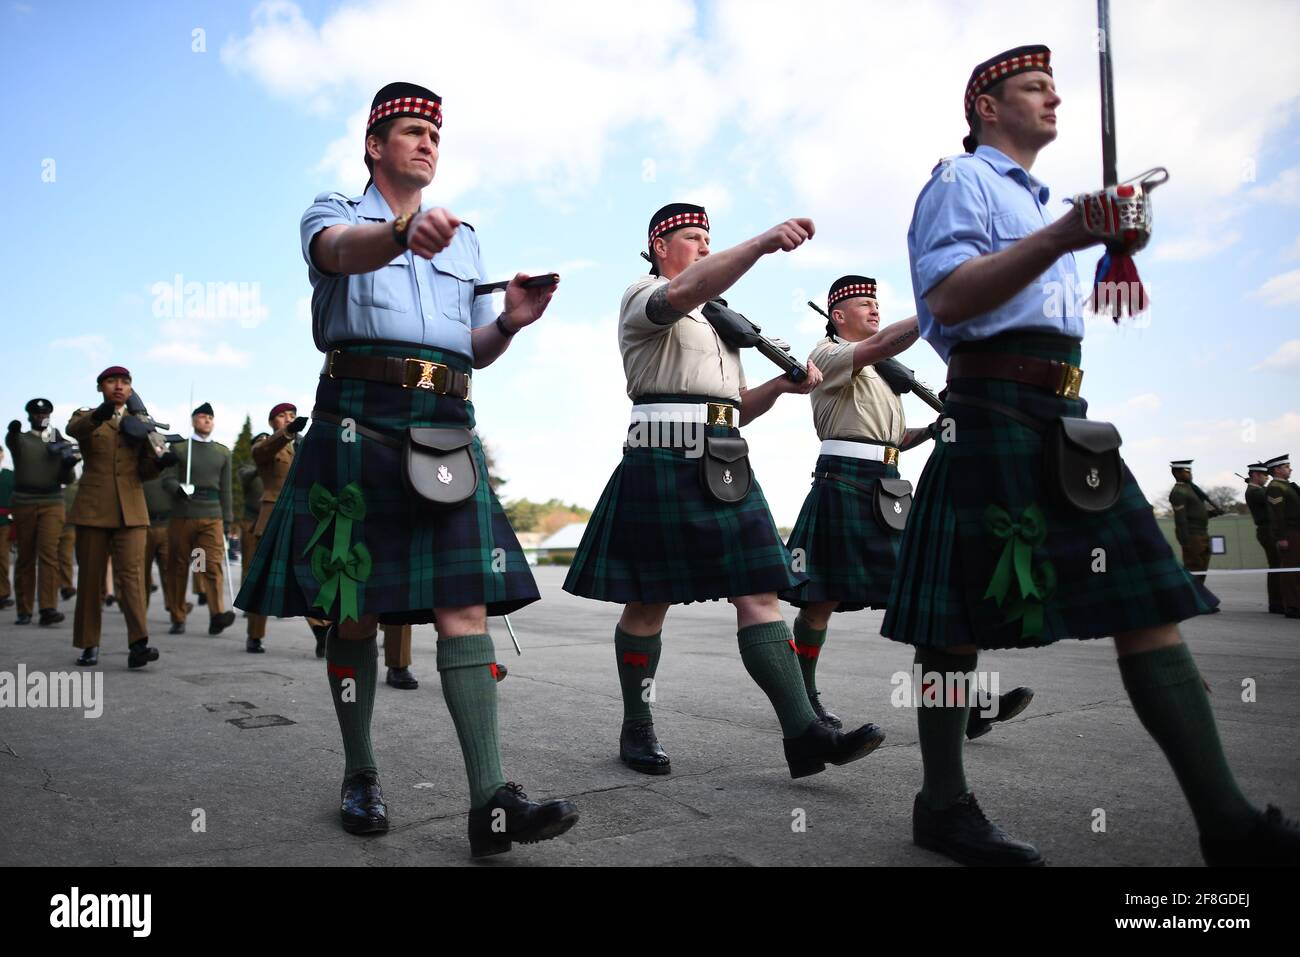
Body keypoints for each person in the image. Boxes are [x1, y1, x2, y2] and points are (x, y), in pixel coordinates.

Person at [883, 44, 1299, 866]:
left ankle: (1230, 825)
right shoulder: (958, 182)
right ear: (985, 107)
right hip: (990, 409)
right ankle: (942, 802)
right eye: (1035, 88)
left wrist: (1094, 238)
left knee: (1148, 606)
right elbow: (947, 301)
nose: (1056, 100)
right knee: (954, 630)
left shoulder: (1039, 205)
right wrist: (1071, 232)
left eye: (1055, 88)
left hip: (1064, 419)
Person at [236, 81, 578, 857]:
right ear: (374, 145)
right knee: (353, 606)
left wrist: (512, 325)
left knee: (465, 602)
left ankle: (492, 800)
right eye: (412, 131)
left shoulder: (466, 238)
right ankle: (360, 771)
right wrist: (400, 233)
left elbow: (467, 352)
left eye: (434, 134)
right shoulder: (333, 210)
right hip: (358, 421)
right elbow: (338, 253)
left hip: (446, 423)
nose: (426, 143)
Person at [564, 202, 886, 781]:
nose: (706, 247)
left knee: (759, 593)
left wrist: (781, 388)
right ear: (661, 247)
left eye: (710, 238)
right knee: (648, 601)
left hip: (725, 457)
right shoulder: (645, 295)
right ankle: (638, 724)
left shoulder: (719, 322)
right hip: (660, 456)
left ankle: (803, 734)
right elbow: (684, 293)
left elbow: (736, 406)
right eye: (693, 237)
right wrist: (762, 244)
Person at [782, 275, 1034, 739]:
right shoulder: (827, 354)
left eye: (878, 303)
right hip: (843, 484)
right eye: (864, 303)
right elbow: (877, 345)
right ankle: (804, 697)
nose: (875, 309)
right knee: (821, 600)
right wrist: (935, 307)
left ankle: (965, 704)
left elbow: (893, 441)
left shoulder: (880, 372)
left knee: (923, 594)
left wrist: (934, 429)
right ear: (838, 316)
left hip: (889, 486)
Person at [66, 367, 163, 668]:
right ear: (101, 387)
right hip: (94, 509)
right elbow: (75, 430)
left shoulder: (140, 423)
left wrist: (161, 463)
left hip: (131, 510)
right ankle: (88, 644)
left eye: (125, 382)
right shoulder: (87, 415)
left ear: (131, 388)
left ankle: (139, 643)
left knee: (133, 579)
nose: (119, 387)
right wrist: (102, 414)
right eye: (112, 382)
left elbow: (144, 470)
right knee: (91, 579)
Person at [244, 402, 329, 654]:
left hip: (298, 518)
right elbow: (260, 453)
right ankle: (255, 635)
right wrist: (287, 432)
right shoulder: (268, 443)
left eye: (291, 415)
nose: (288, 418)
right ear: (272, 422)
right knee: (260, 578)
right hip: (271, 517)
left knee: (304, 575)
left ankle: (321, 629)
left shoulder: (302, 446)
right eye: (282, 416)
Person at [162, 403, 235, 636]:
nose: (207, 421)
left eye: (210, 418)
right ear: (194, 420)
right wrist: (178, 489)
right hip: (184, 513)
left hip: (212, 514)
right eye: (202, 417)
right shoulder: (181, 448)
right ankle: (178, 614)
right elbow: (167, 478)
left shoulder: (223, 452)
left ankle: (217, 614)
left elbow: (226, 488)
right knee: (179, 566)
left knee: (211, 564)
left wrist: (228, 517)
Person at [6, 399, 69, 626]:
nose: (41, 415)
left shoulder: (54, 438)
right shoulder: (21, 439)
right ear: (29, 415)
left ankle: (48, 607)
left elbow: (67, 478)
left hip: (52, 500)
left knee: (49, 554)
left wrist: (67, 462)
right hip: (24, 501)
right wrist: (13, 431)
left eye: (45, 412)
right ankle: (24, 609)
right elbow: (12, 442)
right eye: (37, 412)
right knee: (25, 555)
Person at [1169, 459, 1222, 610]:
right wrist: (1184, 540)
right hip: (1192, 535)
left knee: (1201, 569)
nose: (1190, 474)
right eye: (1186, 471)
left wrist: (1212, 513)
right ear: (1177, 473)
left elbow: (1197, 514)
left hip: (1202, 533)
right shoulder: (1178, 492)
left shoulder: (1191, 489)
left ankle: (1199, 600)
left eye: (1190, 471)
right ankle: (1192, 602)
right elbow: (1181, 519)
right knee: (1194, 569)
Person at [1265, 454, 1300, 621]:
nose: (1290, 469)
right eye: (1286, 467)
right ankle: (1292, 606)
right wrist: (1281, 537)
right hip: (1290, 533)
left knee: (1296, 570)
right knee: (1290, 571)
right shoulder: (1275, 487)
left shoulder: (1286, 486)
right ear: (1277, 470)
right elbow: (1276, 515)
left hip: (1296, 531)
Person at [1243, 461, 1282, 614]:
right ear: (1255, 475)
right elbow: (1272, 494)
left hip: (1269, 530)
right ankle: (1277, 603)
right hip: (1268, 531)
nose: (1267, 478)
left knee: (1278, 565)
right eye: (1265, 475)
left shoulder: (1259, 490)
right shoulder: (1254, 491)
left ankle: (1278, 602)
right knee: (1277, 566)